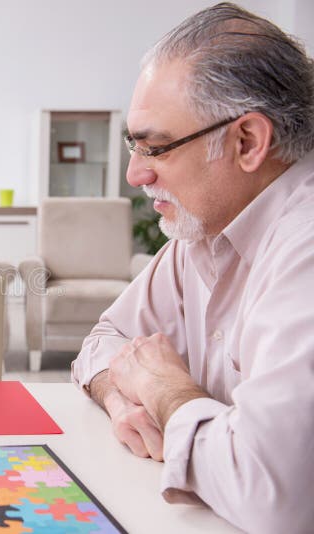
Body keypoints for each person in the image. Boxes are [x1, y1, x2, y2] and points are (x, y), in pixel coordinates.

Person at [71, 3, 314, 532]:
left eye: (156, 147)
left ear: (247, 141)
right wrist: (120, 397)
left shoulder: (304, 245)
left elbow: (273, 496)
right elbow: (102, 340)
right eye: (134, 147)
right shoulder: (203, 228)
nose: (135, 174)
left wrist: (165, 392)